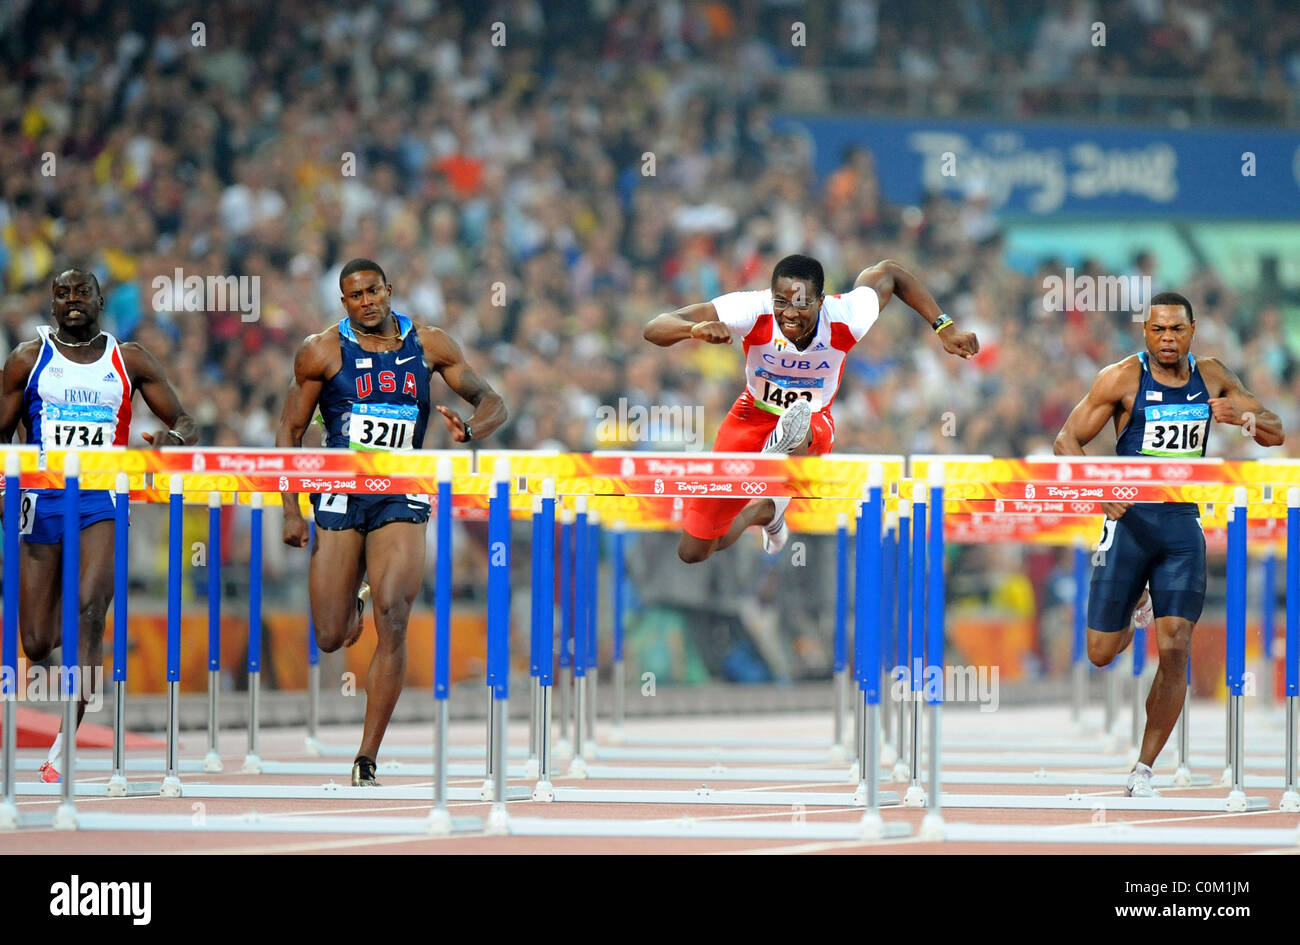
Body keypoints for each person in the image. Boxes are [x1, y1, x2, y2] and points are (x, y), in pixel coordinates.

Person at [277, 258, 506, 787]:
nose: (367, 301)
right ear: (344, 302)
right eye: (355, 295)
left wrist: (470, 429)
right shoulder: (321, 350)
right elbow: (289, 431)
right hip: (340, 489)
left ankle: (366, 755)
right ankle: (354, 593)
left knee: (394, 615)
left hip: (403, 490)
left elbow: (494, 401)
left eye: (374, 291)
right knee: (331, 635)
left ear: (388, 290)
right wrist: (290, 508)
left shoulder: (430, 344)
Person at [1053, 291, 1284, 797]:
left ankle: (1142, 770)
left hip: (1182, 526)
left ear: (1192, 331)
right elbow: (1065, 441)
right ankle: (1139, 598)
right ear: (1145, 332)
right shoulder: (1120, 378)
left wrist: (1238, 418)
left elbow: (1275, 430)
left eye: (1176, 330)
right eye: (1158, 330)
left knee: (1176, 647)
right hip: (1130, 526)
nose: (1167, 339)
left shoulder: (1214, 376)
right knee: (1099, 652)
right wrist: (1097, 489)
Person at [643, 253, 978, 564]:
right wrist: (693, 329)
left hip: (813, 422)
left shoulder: (848, 315)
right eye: (781, 302)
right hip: (750, 417)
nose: (789, 313)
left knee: (798, 420)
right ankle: (766, 512)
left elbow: (890, 272)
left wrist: (944, 327)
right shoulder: (750, 309)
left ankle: (778, 470)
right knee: (694, 551)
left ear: (821, 302)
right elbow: (654, 328)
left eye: (801, 304)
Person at [0, 268, 197, 782]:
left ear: (100, 299)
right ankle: (78, 636)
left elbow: (185, 421)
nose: (71, 301)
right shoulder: (28, 359)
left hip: (103, 496)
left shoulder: (127, 358)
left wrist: (170, 443)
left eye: (81, 293)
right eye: (62, 294)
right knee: (37, 642)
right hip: (40, 500)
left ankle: (64, 744)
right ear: (51, 303)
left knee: (89, 608)